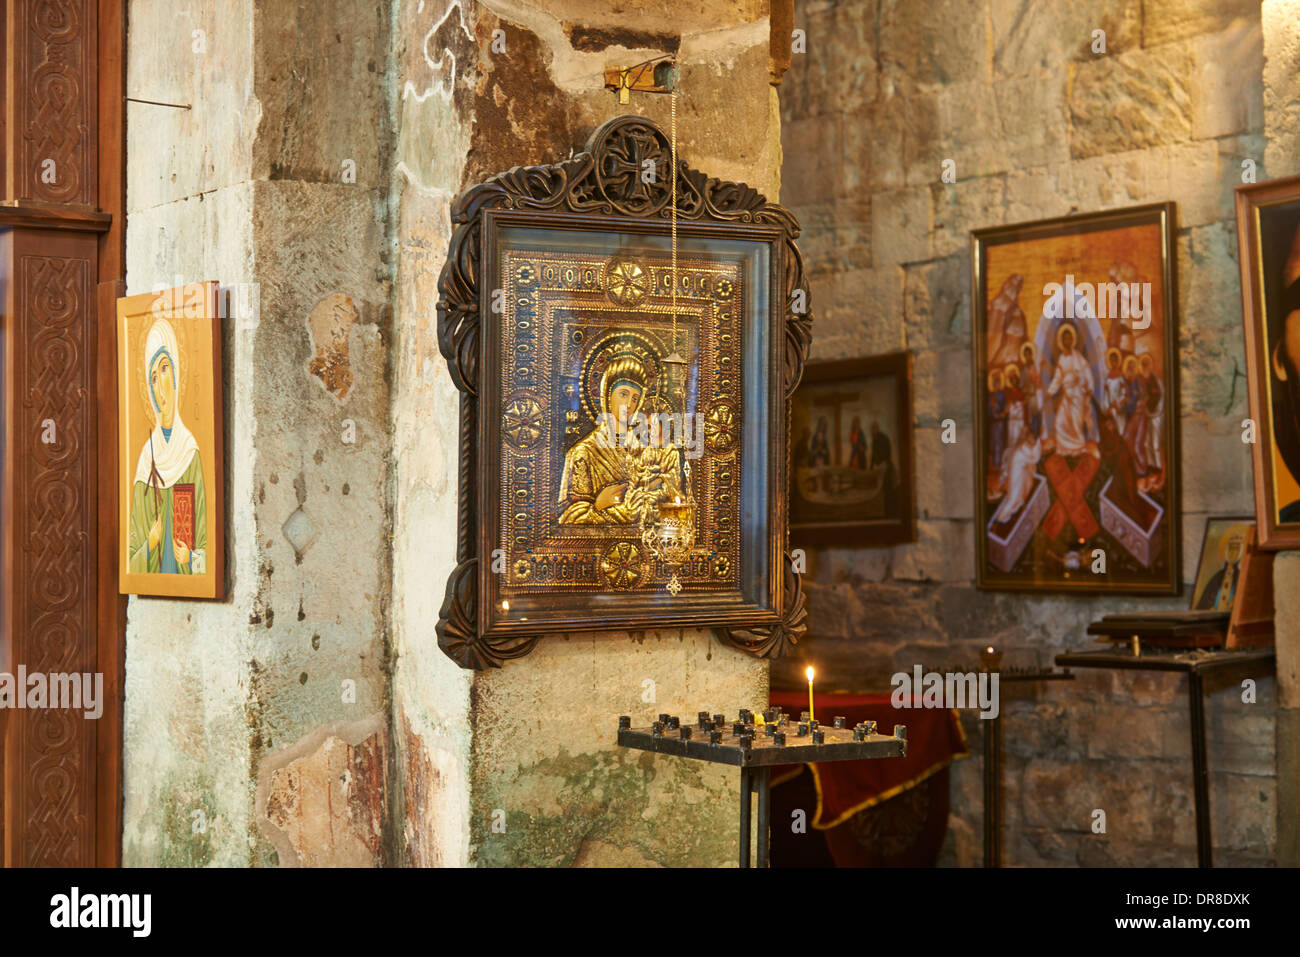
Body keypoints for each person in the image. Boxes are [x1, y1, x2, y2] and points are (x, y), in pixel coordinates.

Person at [558, 352, 682, 524]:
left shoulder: (646, 447)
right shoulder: (584, 452)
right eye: (623, 394)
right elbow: (567, 518)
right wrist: (599, 504)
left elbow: (669, 495)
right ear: (607, 396)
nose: (629, 404)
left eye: (635, 398)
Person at [128, 317, 208, 574]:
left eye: (164, 369)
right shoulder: (146, 459)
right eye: (152, 377)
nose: (159, 385)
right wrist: (150, 543)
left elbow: (207, 544)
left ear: (177, 375)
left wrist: (191, 558)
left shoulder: (190, 452)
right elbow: (130, 559)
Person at [1046, 322, 1096, 457]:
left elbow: (1087, 372)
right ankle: (1065, 449)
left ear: (1072, 340)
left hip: (1078, 395)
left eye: (1069, 338)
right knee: (1059, 422)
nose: (1067, 340)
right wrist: (1049, 392)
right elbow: (1057, 378)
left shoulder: (1078, 357)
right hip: (1067, 396)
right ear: (1061, 341)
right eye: (1065, 338)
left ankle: (1078, 447)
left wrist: (1089, 387)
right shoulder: (1062, 358)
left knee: (1075, 423)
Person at [1139, 353, 1165, 491]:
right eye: (1142, 365)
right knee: (1146, 442)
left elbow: (1158, 395)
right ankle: (1151, 467)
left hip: (1156, 414)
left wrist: (1147, 402)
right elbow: (1145, 395)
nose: (1144, 367)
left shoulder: (1155, 379)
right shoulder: (1145, 379)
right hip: (1149, 414)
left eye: (1146, 364)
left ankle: (1158, 469)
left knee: (1154, 443)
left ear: (1149, 365)